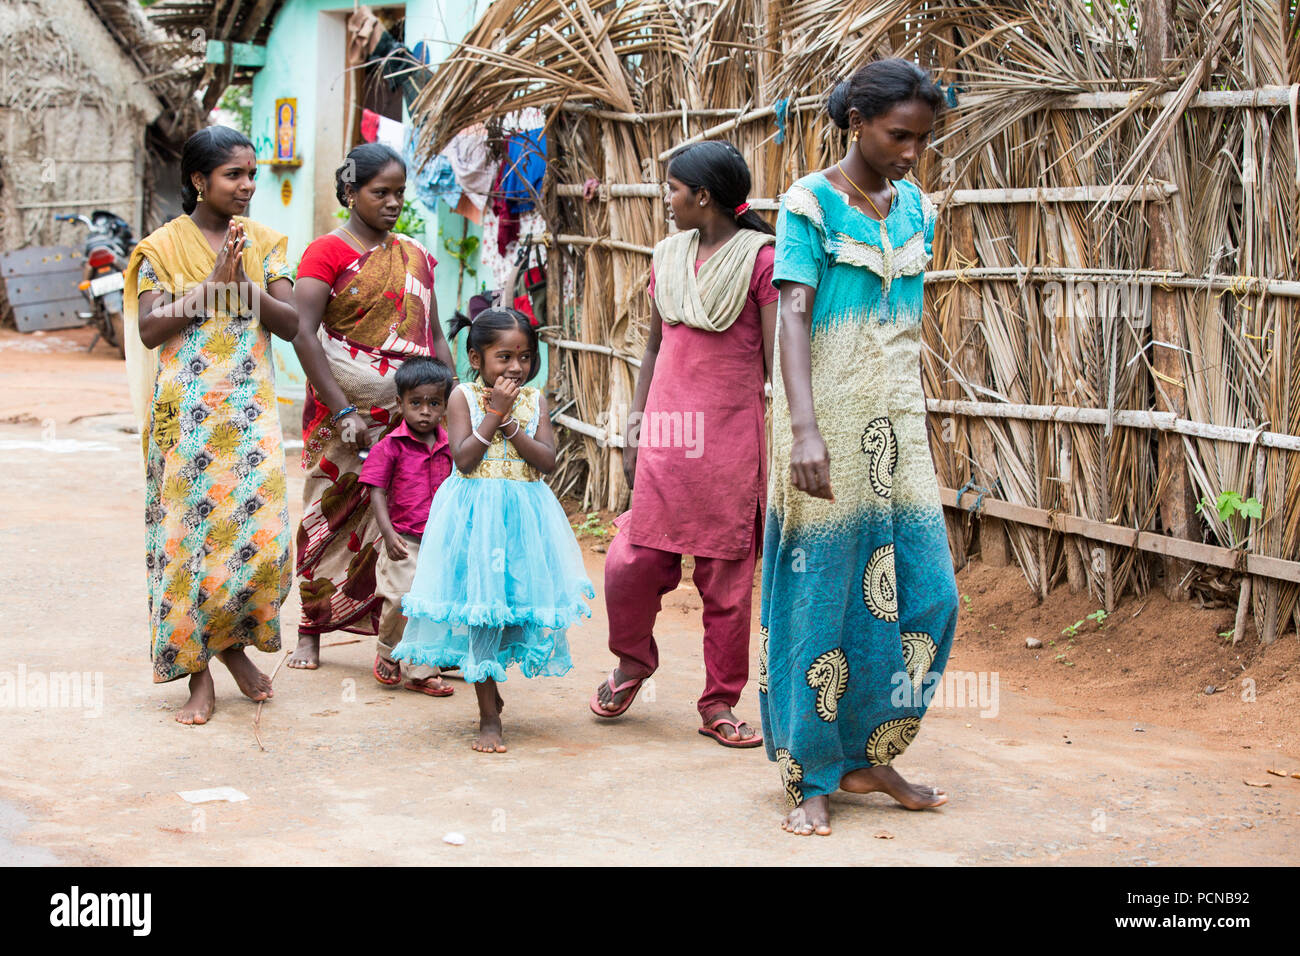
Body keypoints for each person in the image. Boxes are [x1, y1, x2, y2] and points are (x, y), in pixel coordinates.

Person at [762, 59, 958, 835]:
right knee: (823, 598)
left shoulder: (916, 208)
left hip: (898, 426)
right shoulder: (808, 204)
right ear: (857, 123)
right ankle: (811, 773)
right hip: (826, 425)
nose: (911, 151)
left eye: (923, 138)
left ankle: (870, 750)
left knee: (929, 593)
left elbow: (905, 324)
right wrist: (804, 430)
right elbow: (792, 318)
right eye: (897, 135)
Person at [589, 141, 778, 748]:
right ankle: (632, 662)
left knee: (727, 584)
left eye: (672, 188)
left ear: (702, 196)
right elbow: (652, 350)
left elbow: (776, 366)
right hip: (668, 440)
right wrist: (637, 429)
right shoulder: (667, 257)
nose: (665, 199)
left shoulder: (762, 262)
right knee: (629, 564)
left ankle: (719, 701)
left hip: (729, 446)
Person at [125, 125, 299, 724]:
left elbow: (292, 323)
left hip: (248, 415)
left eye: (253, 174)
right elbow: (151, 329)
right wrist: (209, 288)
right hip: (184, 417)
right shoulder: (161, 247)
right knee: (187, 545)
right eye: (234, 175)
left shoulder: (268, 242)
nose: (248, 185)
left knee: (262, 544)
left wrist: (243, 284)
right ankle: (197, 676)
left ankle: (232, 646)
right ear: (199, 180)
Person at [286, 143, 454, 675]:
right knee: (328, 513)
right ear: (350, 192)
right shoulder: (326, 253)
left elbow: (434, 334)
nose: (393, 202)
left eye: (399, 192)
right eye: (380, 192)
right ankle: (311, 626)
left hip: (412, 414)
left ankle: (396, 634)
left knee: (405, 518)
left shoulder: (416, 255)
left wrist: (451, 397)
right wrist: (342, 412)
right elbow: (302, 333)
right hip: (344, 419)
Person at [393, 308, 594, 753]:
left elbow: (545, 461)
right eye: (504, 357)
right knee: (482, 609)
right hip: (476, 518)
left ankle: (491, 687)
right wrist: (492, 414)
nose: (516, 367)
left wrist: (508, 422)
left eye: (524, 357)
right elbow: (464, 458)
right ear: (475, 357)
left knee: (512, 610)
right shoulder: (461, 396)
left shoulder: (535, 398)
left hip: (524, 520)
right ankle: (487, 715)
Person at [358, 356, 457, 696]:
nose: (425, 411)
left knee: (429, 605)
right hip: (403, 539)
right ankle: (388, 651)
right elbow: (376, 491)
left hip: (439, 542)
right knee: (401, 600)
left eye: (434, 403)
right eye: (416, 403)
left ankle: (421, 671)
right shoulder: (390, 447)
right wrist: (387, 535)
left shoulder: (452, 448)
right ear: (400, 403)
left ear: (445, 405)